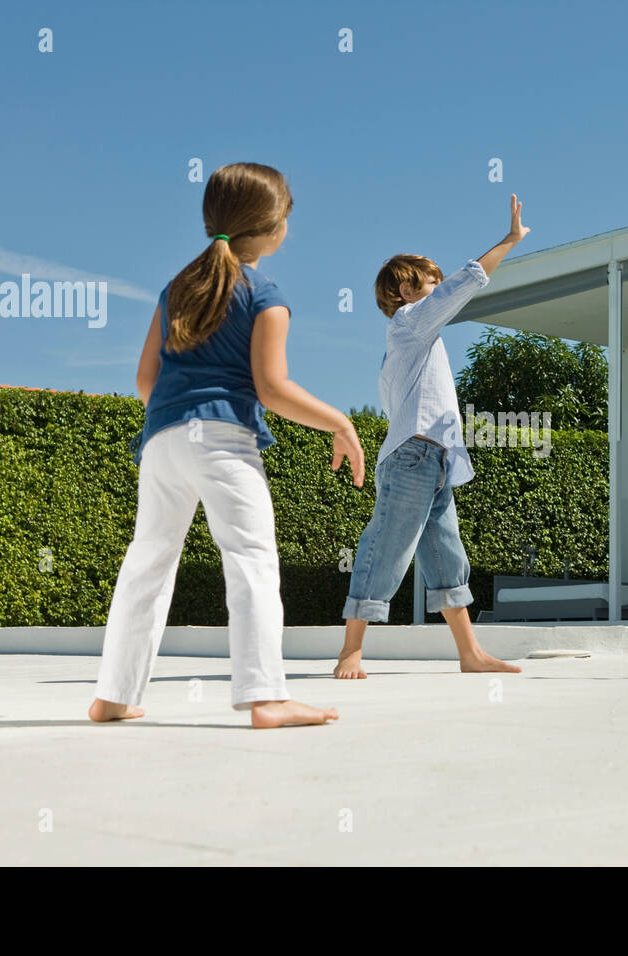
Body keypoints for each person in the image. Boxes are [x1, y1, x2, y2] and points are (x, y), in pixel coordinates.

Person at [90, 162, 363, 727]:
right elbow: (272, 388)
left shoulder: (176, 290)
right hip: (222, 439)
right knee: (251, 559)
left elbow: (145, 381)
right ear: (274, 227)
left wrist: (180, 416)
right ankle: (266, 698)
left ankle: (112, 696)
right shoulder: (266, 293)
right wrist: (339, 421)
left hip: (163, 440)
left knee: (147, 562)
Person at [334, 196, 530, 679]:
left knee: (447, 556)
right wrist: (508, 241)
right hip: (414, 458)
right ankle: (350, 652)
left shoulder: (416, 341)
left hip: (435, 460)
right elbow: (463, 285)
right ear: (404, 288)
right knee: (387, 548)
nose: (439, 286)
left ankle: (471, 654)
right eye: (429, 280)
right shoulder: (409, 323)